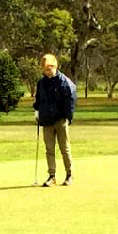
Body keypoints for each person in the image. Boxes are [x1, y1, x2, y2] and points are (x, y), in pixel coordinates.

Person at [32, 54, 77, 187]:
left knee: (65, 148)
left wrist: (68, 118)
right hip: (46, 120)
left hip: (60, 120)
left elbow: (70, 101)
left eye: (50, 68)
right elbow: (39, 100)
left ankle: (69, 175)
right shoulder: (41, 83)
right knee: (49, 149)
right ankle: (52, 176)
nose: (48, 71)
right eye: (45, 68)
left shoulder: (64, 82)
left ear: (55, 66)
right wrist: (37, 111)